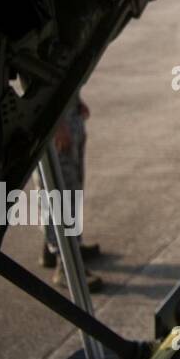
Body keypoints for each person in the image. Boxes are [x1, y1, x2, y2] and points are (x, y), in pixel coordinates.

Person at [41, 90, 103, 292]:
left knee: (71, 185)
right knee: (60, 191)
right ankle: (66, 265)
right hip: (56, 122)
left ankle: (57, 249)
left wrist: (76, 100)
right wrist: (55, 124)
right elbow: (32, 82)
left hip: (68, 115)